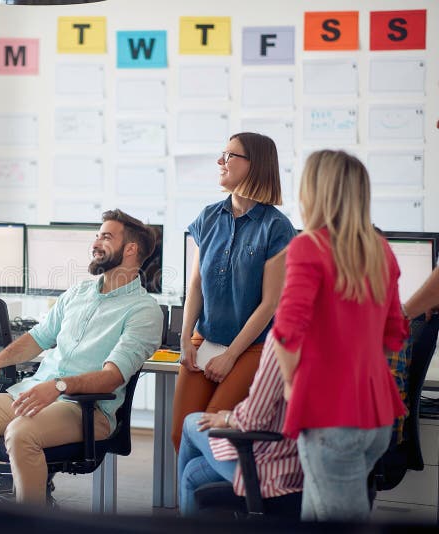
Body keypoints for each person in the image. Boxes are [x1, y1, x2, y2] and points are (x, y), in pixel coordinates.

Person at [0, 209, 163, 504]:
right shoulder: (78, 292)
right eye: (97, 235)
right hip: (32, 394)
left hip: (85, 410)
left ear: (131, 249)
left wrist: (58, 386)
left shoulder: (144, 310)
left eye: (106, 237)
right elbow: (38, 338)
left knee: (20, 433)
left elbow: (112, 377)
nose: (96, 242)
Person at [272, 150, 408, 521]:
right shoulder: (381, 250)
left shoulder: (308, 246)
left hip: (331, 415)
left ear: (315, 191)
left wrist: (288, 382)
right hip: (377, 416)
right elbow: (395, 333)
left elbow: (286, 330)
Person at [172, 132, 296, 450]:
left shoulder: (276, 227)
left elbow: (270, 303)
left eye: (229, 156)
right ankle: (196, 500)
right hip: (206, 337)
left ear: (255, 165)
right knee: (180, 436)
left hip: (251, 345)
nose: (220, 161)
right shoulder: (209, 216)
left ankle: (226, 498)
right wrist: (186, 337)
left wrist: (230, 355)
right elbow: (196, 285)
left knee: (211, 434)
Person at [177, 333, 302, 516]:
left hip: (273, 469)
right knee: (191, 473)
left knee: (191, 422)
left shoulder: (284, 340)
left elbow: (253, 418)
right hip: (306, 461)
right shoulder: (337, 338)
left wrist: (227, 418)